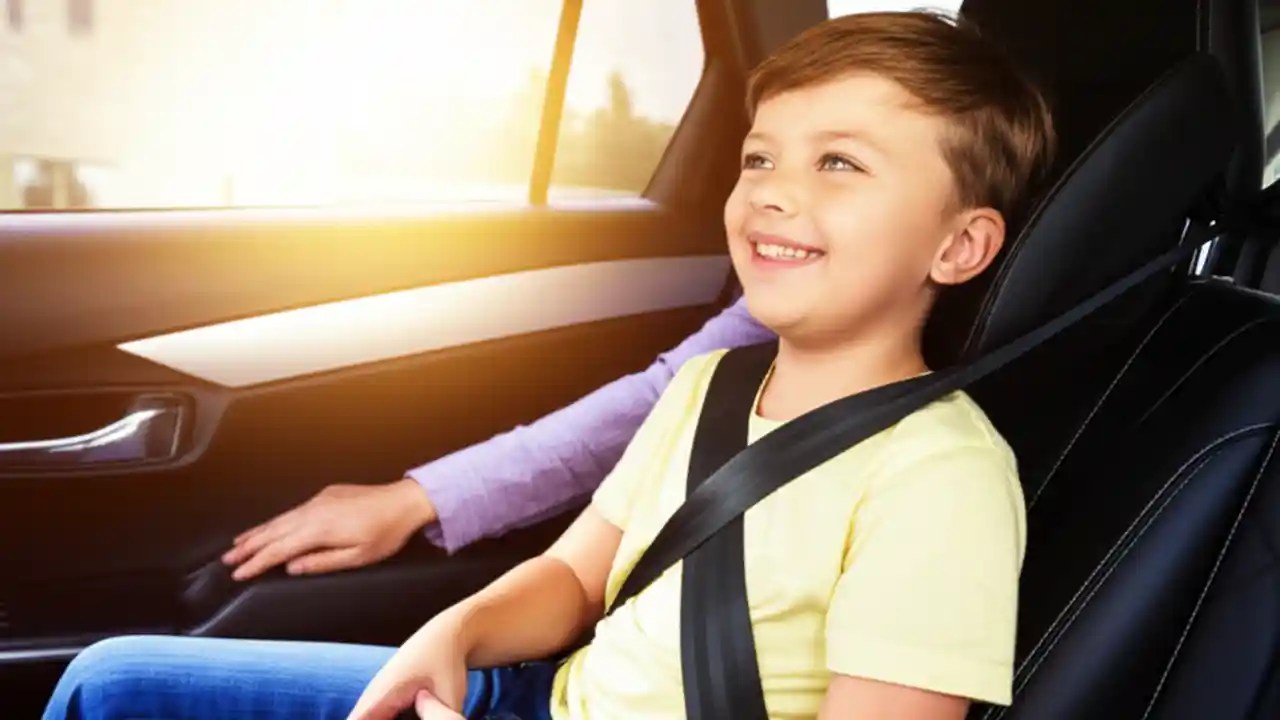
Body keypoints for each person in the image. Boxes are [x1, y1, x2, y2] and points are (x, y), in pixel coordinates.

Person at [44, 10, 1054, 720]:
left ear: (958, 247)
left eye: (838, 163)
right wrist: (459, 634)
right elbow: (575, 578)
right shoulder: (708, 391)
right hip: (536, 697)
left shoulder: (940, 481)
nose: (774, 193)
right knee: (112, 681)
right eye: (759, 157)